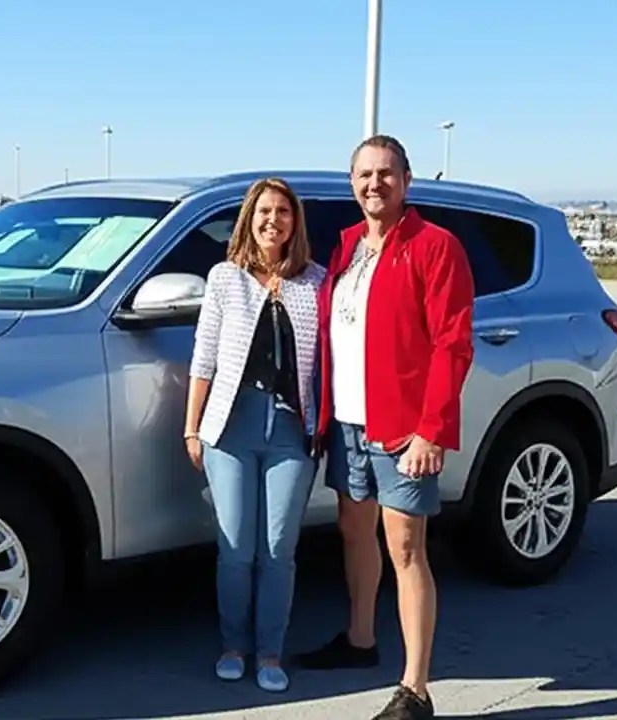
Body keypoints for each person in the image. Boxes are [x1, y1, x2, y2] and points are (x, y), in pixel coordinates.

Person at [293, 135, 474, 720]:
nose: (376, 184)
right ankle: (360, 639)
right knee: (354, 532)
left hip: (401, 431)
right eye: (365, 174)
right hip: (347, 423)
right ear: (352, 183)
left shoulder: (434, 246)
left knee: (406, 549)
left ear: (407, 180)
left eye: (387, 173)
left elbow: (453, 345)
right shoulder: (347, 248)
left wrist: (431, 430)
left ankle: (415, 689)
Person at [184, 177, 326, 693]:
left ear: (295, 222)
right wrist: (191, 428)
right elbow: (205, 357)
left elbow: (330, 360)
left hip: (291, 430)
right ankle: (233, 645)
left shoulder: (315, 282)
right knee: (236, 546)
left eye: (283, 212)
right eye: (264, 211)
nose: (273, 220)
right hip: (229, 428)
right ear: (250, 218)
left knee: (277, 548)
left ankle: (270, 653)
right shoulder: (226, 278)